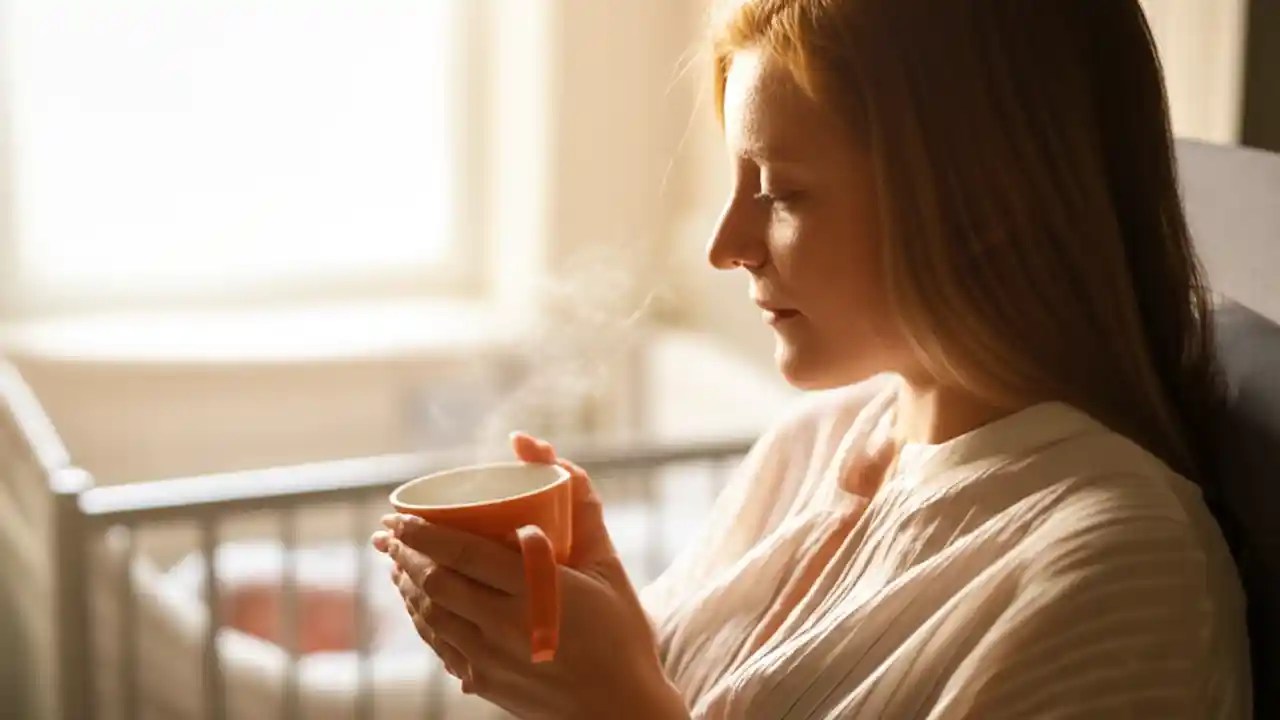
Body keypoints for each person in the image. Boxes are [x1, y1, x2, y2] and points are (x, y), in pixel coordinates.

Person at [370, 0, 1252, 716]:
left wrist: (612, 708)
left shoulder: (1114, 567)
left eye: (782, 192)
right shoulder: (810, 447)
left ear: (988, 205)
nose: (727, 245)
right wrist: (604, 635)